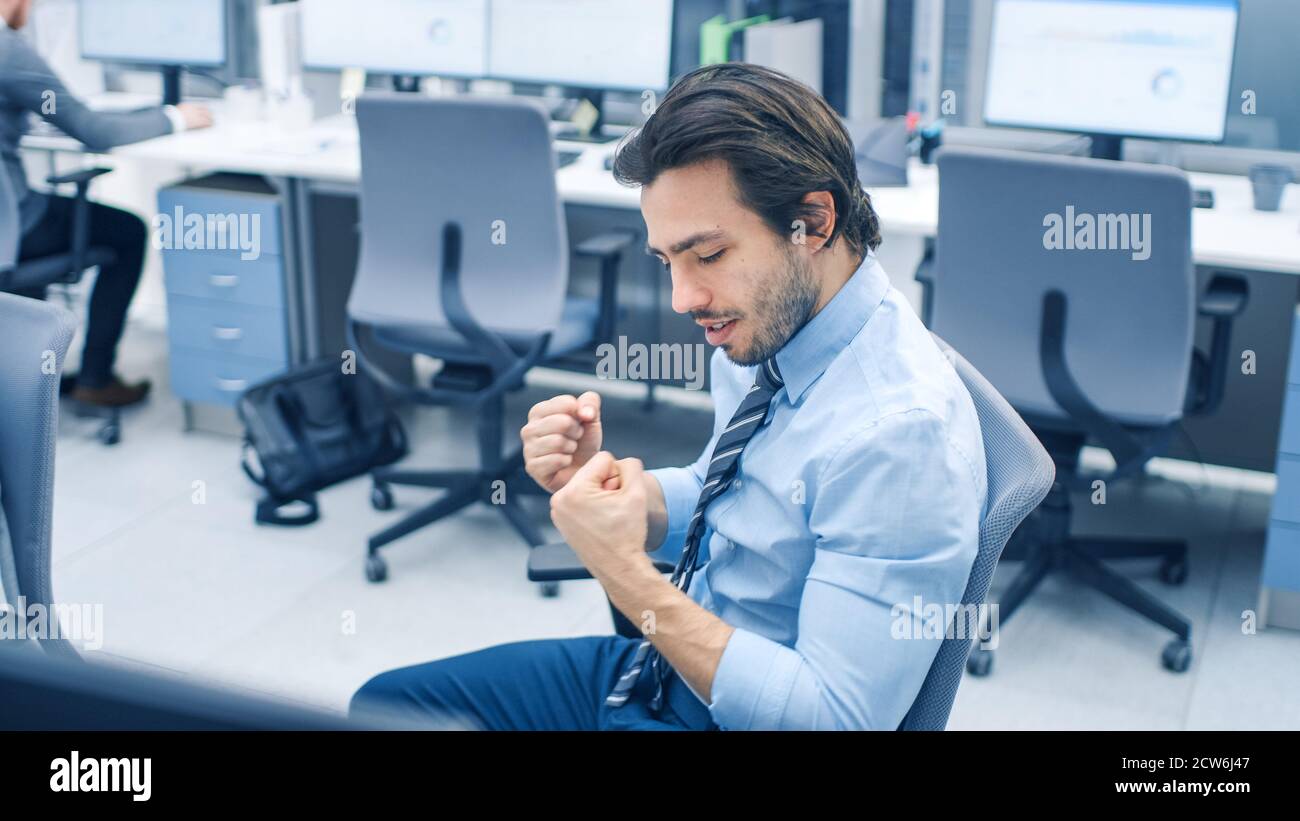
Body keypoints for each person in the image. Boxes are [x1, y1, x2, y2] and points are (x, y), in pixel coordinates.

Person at [349, 63, 987, 730]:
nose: (684, 299)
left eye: (707, 255)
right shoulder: (770, 332)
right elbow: (739, 498)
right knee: (386, 707)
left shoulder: (899, 436)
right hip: (664, 670)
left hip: (727, 712)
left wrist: (624, 571)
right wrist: (629, 496)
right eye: (666, 263)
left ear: (813, 221)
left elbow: (829, 719)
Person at [1, 0, 212, 406]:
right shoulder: (7, 49)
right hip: (13, 229)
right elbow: (95, 131)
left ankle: (27, 377)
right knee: (129, 231)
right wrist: (177, 118)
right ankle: (96, 379)